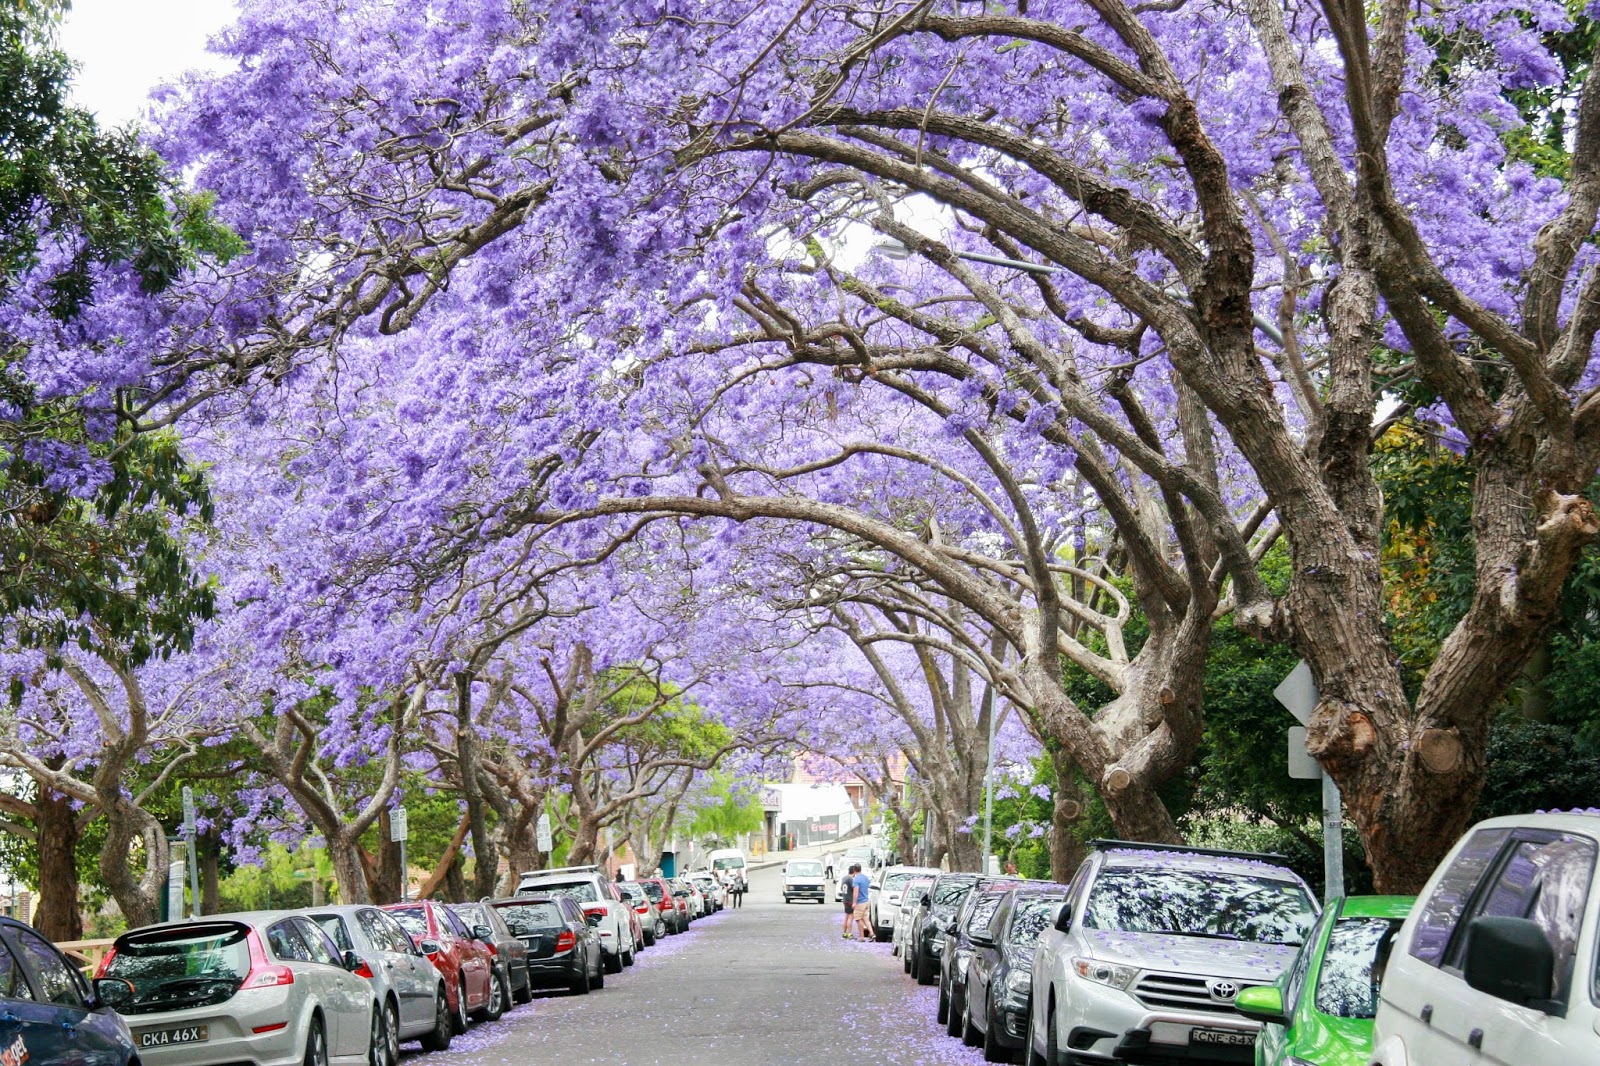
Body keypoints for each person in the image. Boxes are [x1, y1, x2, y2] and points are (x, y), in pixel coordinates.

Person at [849, 863, 874, 941]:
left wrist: (854, 902)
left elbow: (856, 892)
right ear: (860, 869)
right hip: (866, 900)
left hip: (860, 902)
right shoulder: (865, 878)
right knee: (865, 918)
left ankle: (862, 936)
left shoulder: (856, 879)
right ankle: (872, 933)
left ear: (854, 870)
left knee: (858, 919)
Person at [840, 866, 858, 939]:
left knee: (846, 917)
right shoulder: (851, 879)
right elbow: (854, 889)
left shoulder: (844, 878)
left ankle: (844, 933)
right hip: (850, 900)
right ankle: (849, 933)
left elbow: (841, 888)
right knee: (850, 917)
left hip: (845, 899)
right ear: (853, 871)